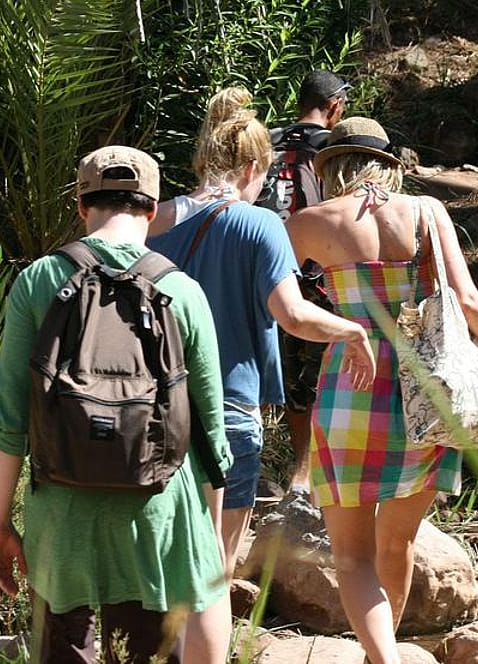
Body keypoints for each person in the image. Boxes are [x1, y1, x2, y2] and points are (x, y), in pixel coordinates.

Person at [283, 116, 478, 664]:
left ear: (327, 169)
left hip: (352, 388)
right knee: (398, 542)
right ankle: (385, 655)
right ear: (390, 167)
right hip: (426, 396)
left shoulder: (306, 224)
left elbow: (285, 309)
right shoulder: (426, 212)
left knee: (351, 557)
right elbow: (467, 300)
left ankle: (385, 659)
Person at [0, 146, 233, 663]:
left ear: (81, 204)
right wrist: (204, 536)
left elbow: (8, 421)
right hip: (159, 519)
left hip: (62, 522)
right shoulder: (183, 291)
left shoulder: (37, 282)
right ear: (153, 207)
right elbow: (209, 432)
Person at [147, 101, 377, 580]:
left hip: (151, 411)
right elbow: (292, 315)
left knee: (157, 565)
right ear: (253, 167)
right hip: (228, 410)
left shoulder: (153, 221)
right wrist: (350, 330)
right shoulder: (262, 225)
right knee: (214, 572)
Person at [253, 71, 351, 494]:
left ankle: (267, 467)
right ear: (333, 106)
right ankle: (312, 474)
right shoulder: (334, 148)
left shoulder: (268, 141)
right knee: (316, 377)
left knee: (268, 372)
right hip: (317, 277)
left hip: (263, 271)